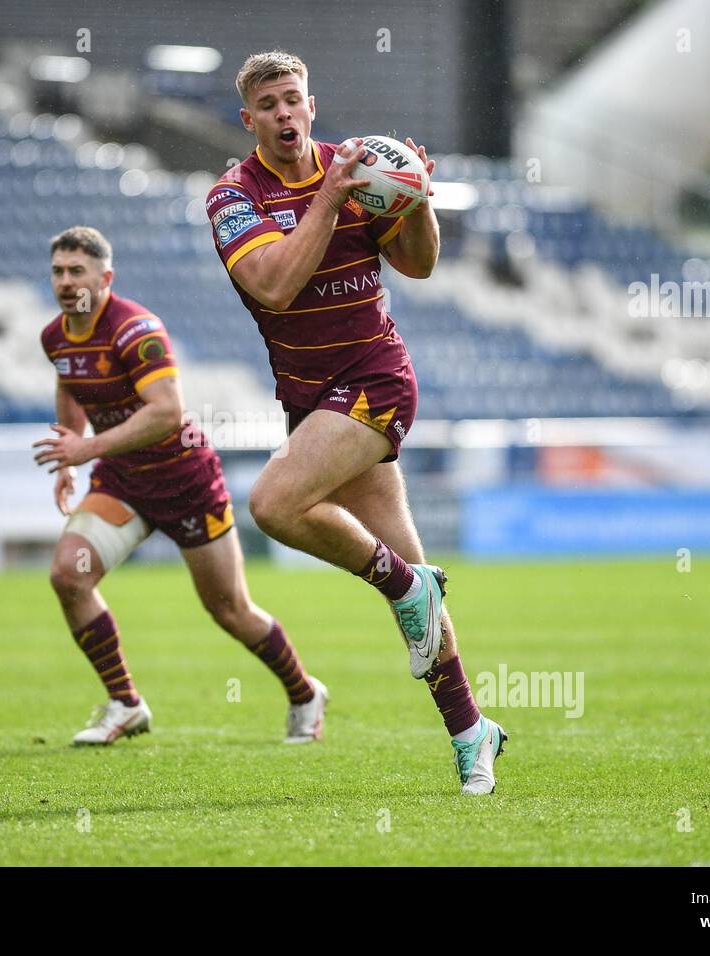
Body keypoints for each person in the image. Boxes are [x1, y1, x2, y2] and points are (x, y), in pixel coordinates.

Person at [204, 51, 506, 794]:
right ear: (249, 120)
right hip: (310, 399)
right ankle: (473, 732)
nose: (283, 113)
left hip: (375, 379)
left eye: (293, 99)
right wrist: (330, 202)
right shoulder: (232, 197)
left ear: (312, 104)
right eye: (267, 104)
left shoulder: (361, 169)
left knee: (272, 504)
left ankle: (407, 586)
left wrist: (416, 199)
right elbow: (272, 285)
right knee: (413, 590)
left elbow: (421, 265)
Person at [33, 225, 327, 746]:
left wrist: (87, 448)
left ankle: (304, 693)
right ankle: (125, 704)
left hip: (185, 482)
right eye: (57, 270)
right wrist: (68, 459)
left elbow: (166, 412)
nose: (64, 280)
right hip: (123, 482)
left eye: (76, 270)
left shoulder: (135, 329)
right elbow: (70, 383)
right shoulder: (55, 336)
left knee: (230, 610)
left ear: (106, 277)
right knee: (67, 576)